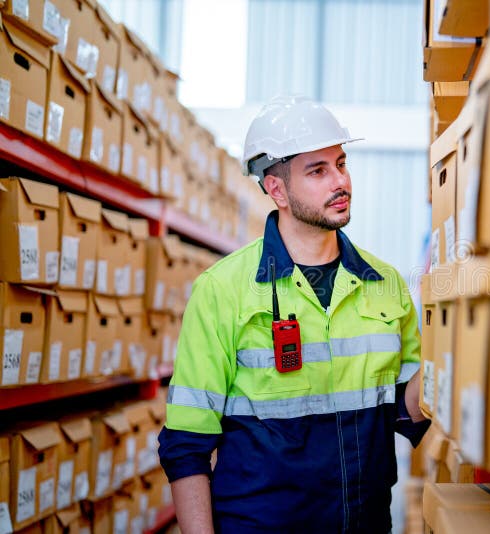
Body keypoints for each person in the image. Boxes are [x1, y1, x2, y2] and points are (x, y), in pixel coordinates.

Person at [158, 95, 431, 533]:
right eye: (318, 171)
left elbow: (410, 412)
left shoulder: (386, 283)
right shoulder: (223, 290)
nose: (339, 181)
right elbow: (187, 443)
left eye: (341, 164)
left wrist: (461, 339)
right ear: (276, 189)